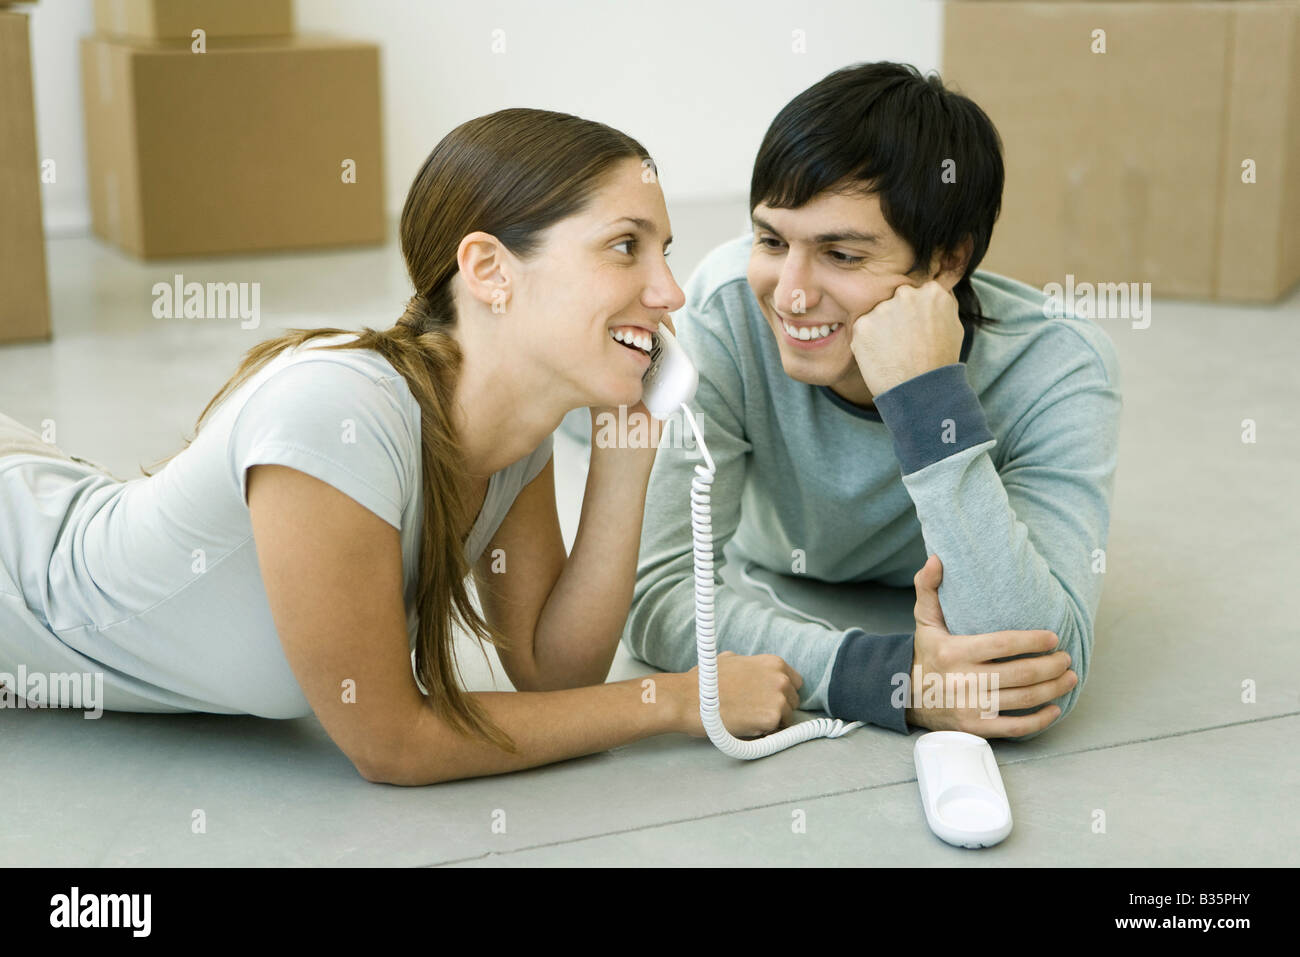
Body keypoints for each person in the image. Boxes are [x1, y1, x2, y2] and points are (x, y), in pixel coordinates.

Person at [0, 108, 802, 785]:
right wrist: (674, 702)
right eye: (627, 246)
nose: (669, 293)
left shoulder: (510, 436)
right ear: (489, 269)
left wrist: (628, 451)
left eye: (664, 252)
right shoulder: (335, 410)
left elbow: (552, 670)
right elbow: (391, 738)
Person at [623, 63, 1122, 740]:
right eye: (772, 240)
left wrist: (927, 398)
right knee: (603, 409)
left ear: (947, 261)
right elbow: (657, 598)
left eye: (842, 255)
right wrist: (889, 678)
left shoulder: (1058, 367)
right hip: (760, 534)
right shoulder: (726, 312)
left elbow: (1031, 666)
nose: (792, 293)